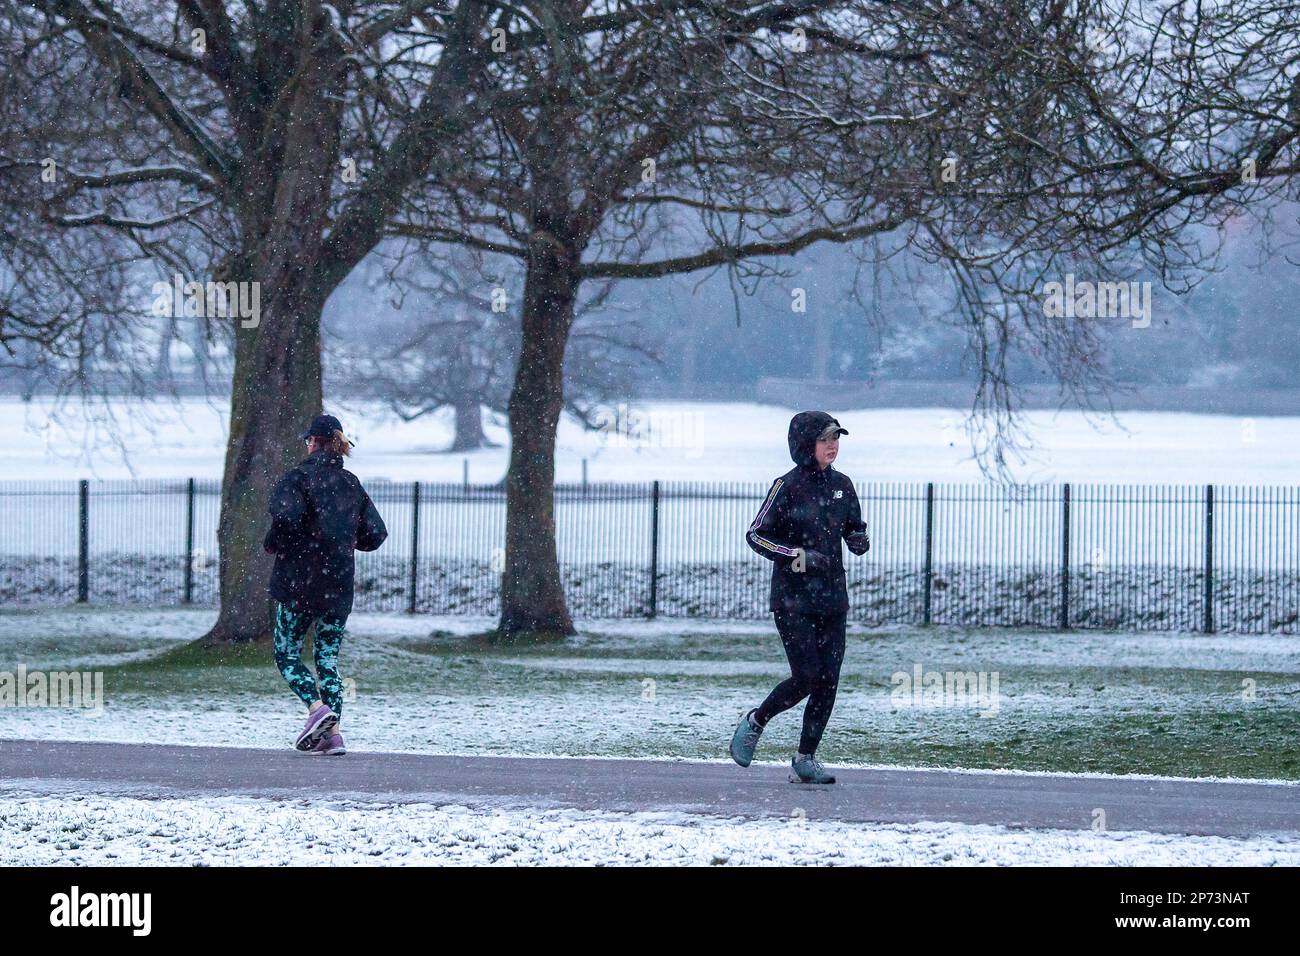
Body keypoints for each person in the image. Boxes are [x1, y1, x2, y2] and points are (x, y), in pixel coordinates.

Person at [730, 410, 869, 784]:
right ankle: (757, 720)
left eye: (836, 439)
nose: (833, 446)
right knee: (806, 676)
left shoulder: (843, 485)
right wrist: (798, 555)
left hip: (833, 601)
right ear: (806, 445)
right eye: (825, 439)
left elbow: (854, 528)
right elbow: (756, 535)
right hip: (794, 602)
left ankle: (806, 758)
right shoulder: (787, 486)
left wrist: (858, 540)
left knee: (829, 681)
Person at [264, 414, 388, 756]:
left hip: (298, 584)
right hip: (338, 585)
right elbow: (375, 534)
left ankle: (317, 709)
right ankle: (333, 736)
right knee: (328, 661)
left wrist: (276, 542)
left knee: (286, 653)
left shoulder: (298, 478)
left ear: (314, 443)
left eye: (308, 441)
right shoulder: (351, 483)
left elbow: (284, 518)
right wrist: (341, 541)